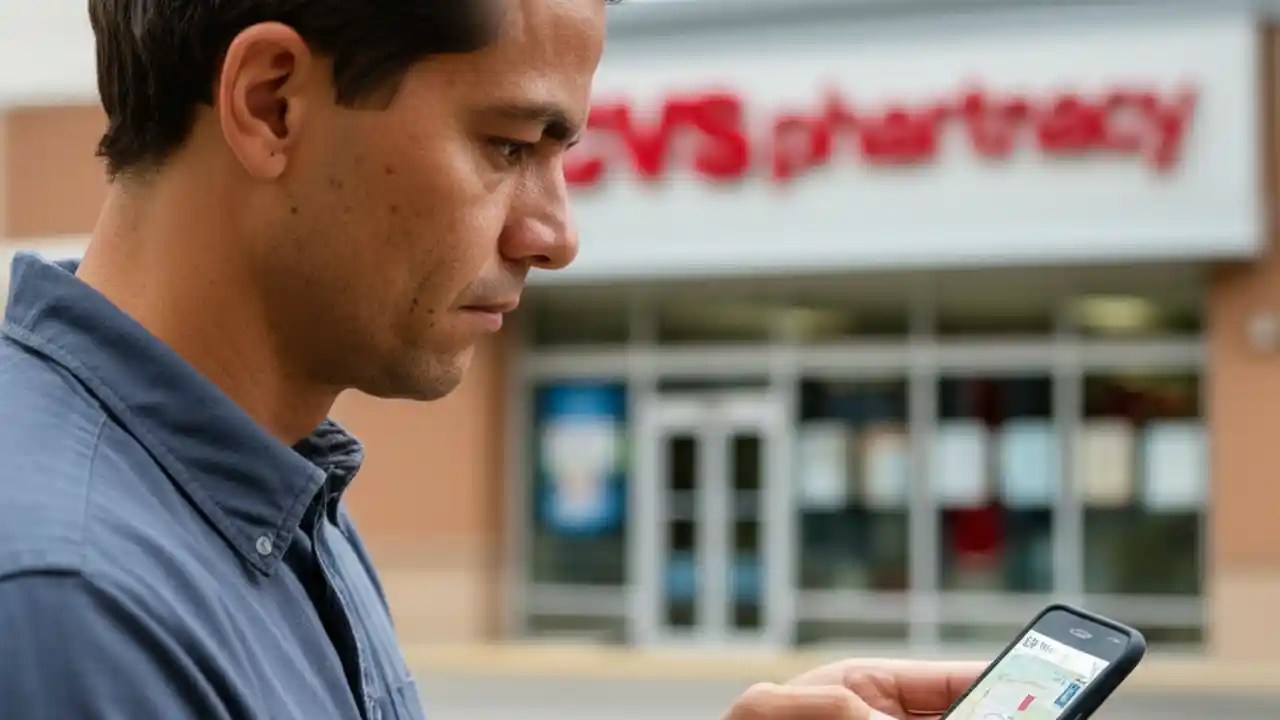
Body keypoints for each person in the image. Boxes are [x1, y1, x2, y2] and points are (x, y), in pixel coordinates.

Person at [0, 1, 982, 718]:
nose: (555, 236)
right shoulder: (71, 608)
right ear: (272, 104)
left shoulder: (277, 499)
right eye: (511, 146)